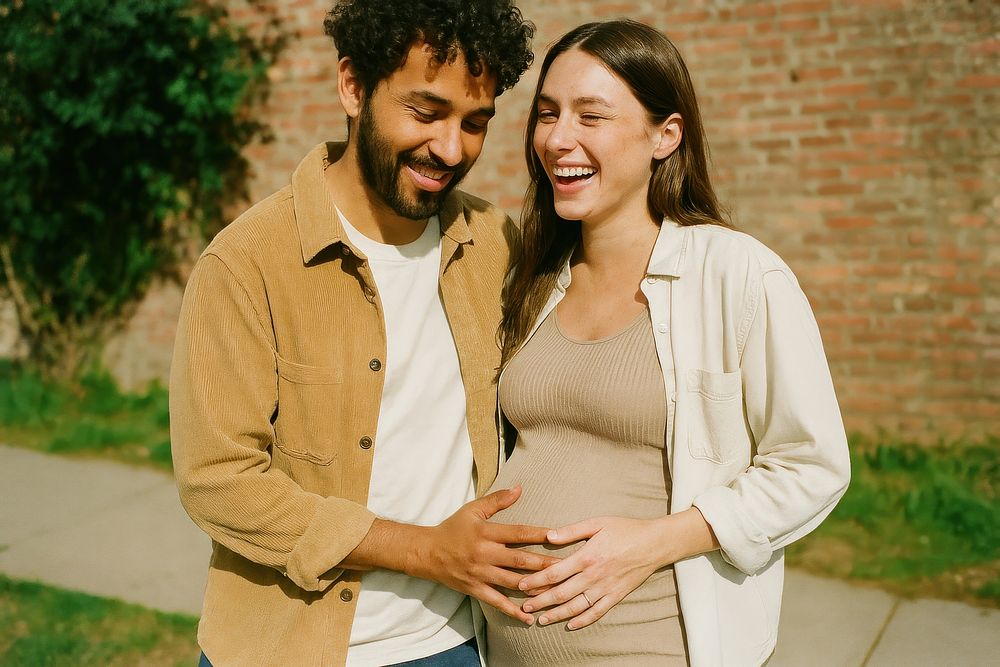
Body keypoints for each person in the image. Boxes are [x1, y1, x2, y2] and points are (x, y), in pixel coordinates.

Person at [169, 2, 548, 665]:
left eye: (475, 122)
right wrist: (425, 551)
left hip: (453, 644)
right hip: (284, 647)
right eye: (425, 113)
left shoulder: (494, 244)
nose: (451, 149)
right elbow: (217, 480)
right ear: (352, 86)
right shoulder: (246, 263)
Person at [482, 19, 851, 666]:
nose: (558, 138)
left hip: (654, 643)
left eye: (591, 116)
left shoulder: (736, 274)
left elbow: (812, 465)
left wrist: (653, 542)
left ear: (665, 134)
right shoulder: (534, 279)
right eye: (547, 113)